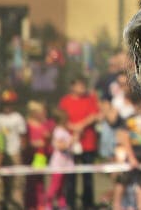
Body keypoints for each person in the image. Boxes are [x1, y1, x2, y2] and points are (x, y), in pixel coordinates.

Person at [58, 76, 100, 209]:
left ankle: (88, 203)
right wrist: (72, 127)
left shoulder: (90, 99)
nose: (82, 87)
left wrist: (81, 125)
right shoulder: (65, 101)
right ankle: (70, 202)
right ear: (73, 86)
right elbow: (61, 119)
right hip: (70, 143)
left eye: (83, 85)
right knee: (71, 175)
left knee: (88, 175)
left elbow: (94, 115)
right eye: (79, 85)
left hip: (88, 142)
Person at [0, 89, 27, 208]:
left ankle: (18, 204)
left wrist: (21, 150)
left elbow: (23, 135)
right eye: (5, 104)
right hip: (2, 152)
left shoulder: (17, 117)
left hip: (15, 152)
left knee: (18, 181)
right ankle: (3, 204)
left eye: (10, 104)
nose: (7, 106)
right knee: (2, 182)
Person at [45, 109, 74, 210]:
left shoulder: (64, 131)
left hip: (65, 162)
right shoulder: (58, 132)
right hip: (58, 163)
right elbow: (60, 146)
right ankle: (48, 204)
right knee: (55, 185)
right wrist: (71, 142)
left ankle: (62, 204)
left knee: (61, 186)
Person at [111, 129, 139, 210]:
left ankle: (130, 205)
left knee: (131, 185)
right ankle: (118, 205)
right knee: (120, 181)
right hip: (123, 155)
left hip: (133, 155)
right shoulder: (120, 148)